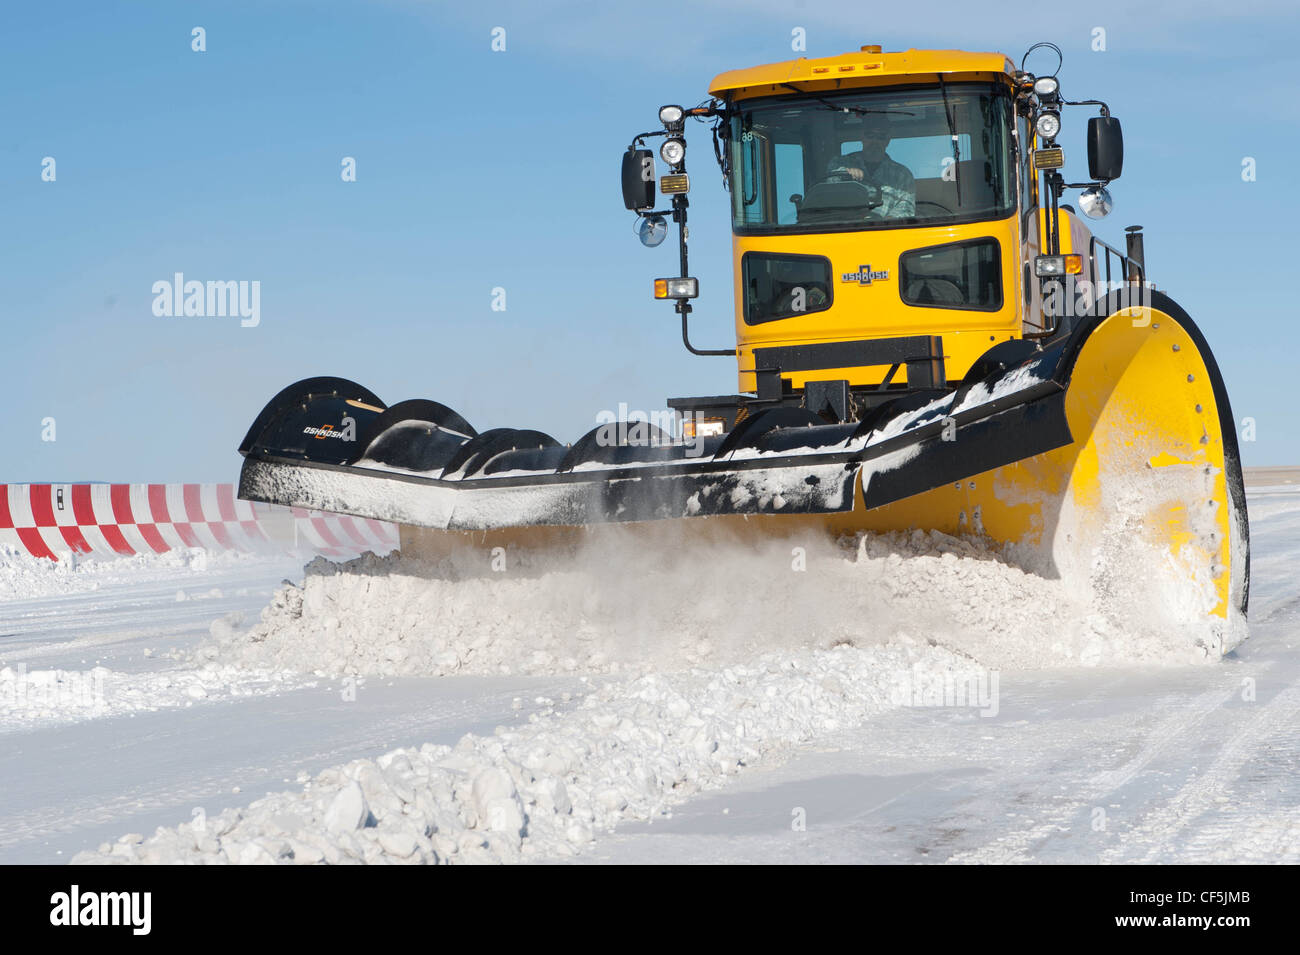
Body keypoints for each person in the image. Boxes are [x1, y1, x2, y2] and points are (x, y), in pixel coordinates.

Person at [826, 122, 916, 219]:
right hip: (843, 228)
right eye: (870, 135)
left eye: (881, 136)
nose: (875, 141)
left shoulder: (902, 174)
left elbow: (906, 207)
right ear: (862, 137)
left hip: (886, 230)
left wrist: (887, 223)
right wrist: (845, 173)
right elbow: (828, 188)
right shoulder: (840, 163)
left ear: (888, 141)